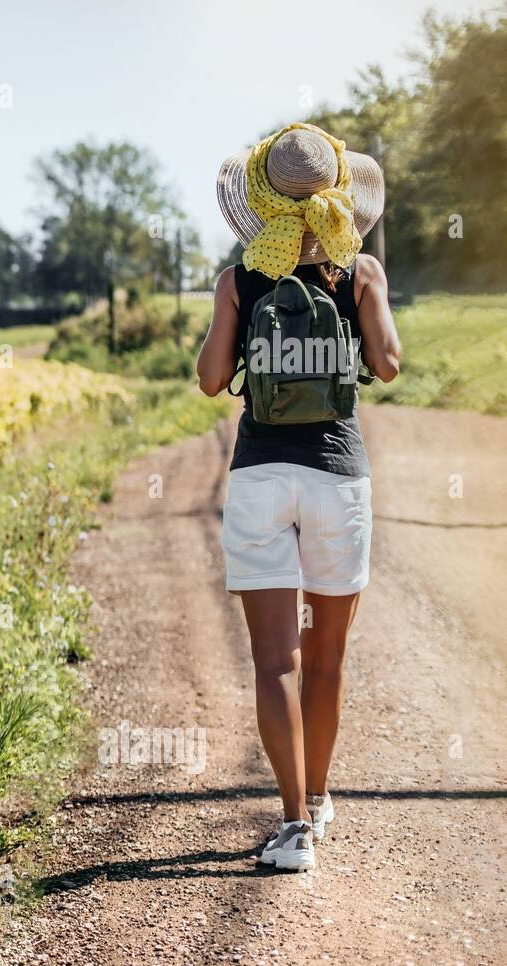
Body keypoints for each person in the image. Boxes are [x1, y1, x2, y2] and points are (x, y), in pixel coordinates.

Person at [195, 123, 402, 871]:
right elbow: (387, 362)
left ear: (258, 196)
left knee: (273, 662)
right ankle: (318, 799)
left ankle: (292, 831)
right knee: (326, 661)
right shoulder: (362, 270)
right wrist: (362, 297)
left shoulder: (239, 278)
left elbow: (213, 380)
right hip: (337, 476)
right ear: (340, 190)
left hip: (258, 478)